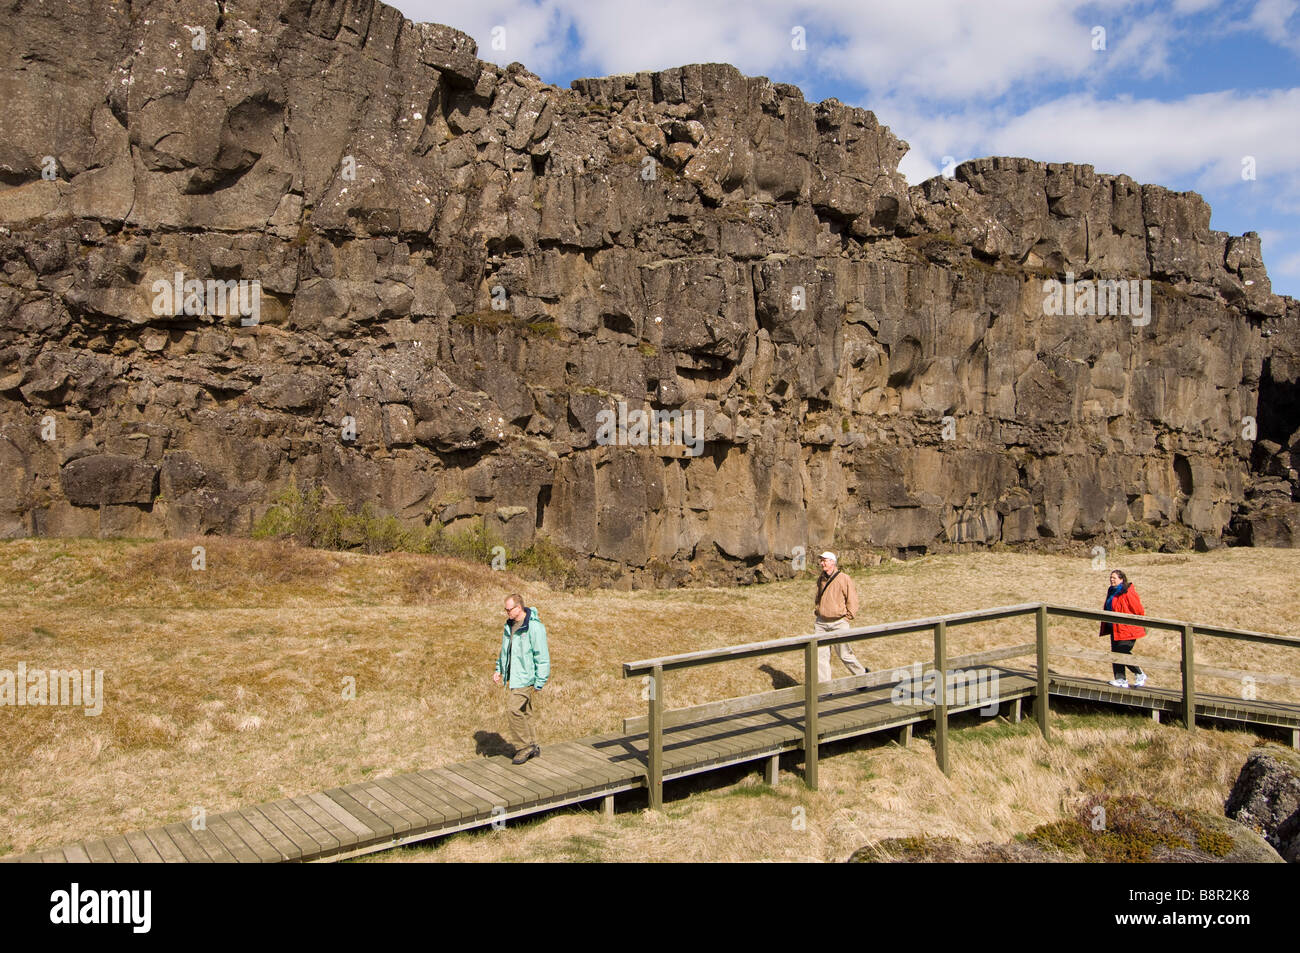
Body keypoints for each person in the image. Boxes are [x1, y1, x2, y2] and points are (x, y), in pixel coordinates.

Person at [493, 593, 550, 764]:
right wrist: (499, 669)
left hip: (526, 677)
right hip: (514, 677)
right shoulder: (509, 626)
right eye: (505, 609)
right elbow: (505, 651)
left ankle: (523, 747)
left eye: (509, 609)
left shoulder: (534, 627)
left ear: (519, 608)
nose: (507, 612)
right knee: (525, 712)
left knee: (513, 709)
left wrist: (540, 680)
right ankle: (533, 744)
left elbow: (542, 656)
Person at [813, 552, 869, 684]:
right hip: (821, 624)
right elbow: (818, 596)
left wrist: (847, 617)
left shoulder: (844, 578)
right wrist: (818, 610)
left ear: (833, 562)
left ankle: (862, 676)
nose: (822, 563)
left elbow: (852, 599)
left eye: (825, 561)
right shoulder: (821, 578)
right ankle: (825, 687)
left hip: (839, 623)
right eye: (821, 561)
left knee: (844, 654)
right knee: (820, 657)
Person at [1100, 569, 1146, 688]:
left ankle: (1139, 673)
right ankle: (1121, 679)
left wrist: (1132, 621)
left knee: (1122, 651)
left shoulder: (1127, 591)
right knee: (1115, 652)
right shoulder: (1111, 590)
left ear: (1121, 579)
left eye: (1114, 578)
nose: (1111, 580)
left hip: (1128, 627)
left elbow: (1139, 610)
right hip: (1115, 627)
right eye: (1110, 577)